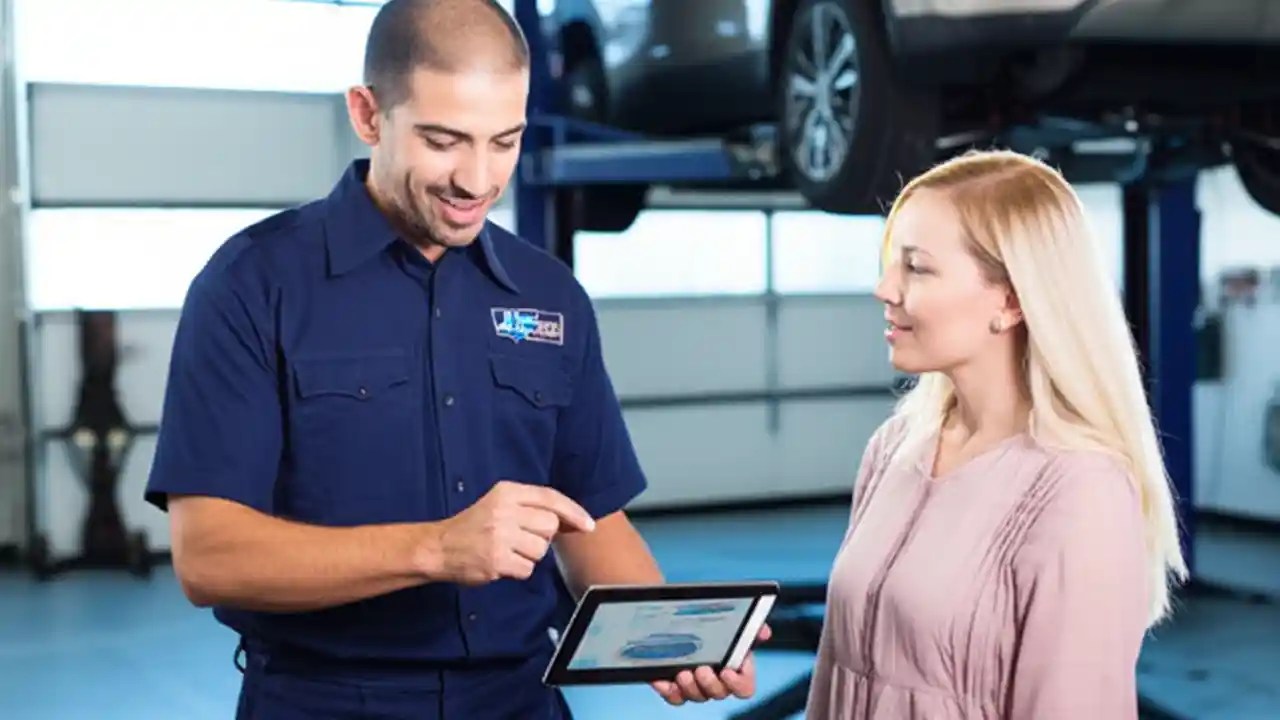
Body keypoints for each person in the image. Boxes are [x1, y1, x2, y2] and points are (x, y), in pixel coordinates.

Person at [144, 1, 765, 717]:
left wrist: (676, 639)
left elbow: (591, 519)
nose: (477, 180)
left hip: (520, 700)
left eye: (505, 142)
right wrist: (437, 549)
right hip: (327, 700)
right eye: (444, 141)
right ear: (369, 114)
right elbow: (211, 557)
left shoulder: (551, 296)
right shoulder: (253, 285)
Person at [805, 150, 1188, 719]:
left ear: (1009, 300)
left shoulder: (1078, 490)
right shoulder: (894, 449)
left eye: (917, 266)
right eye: (892, 262)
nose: (885, 288)